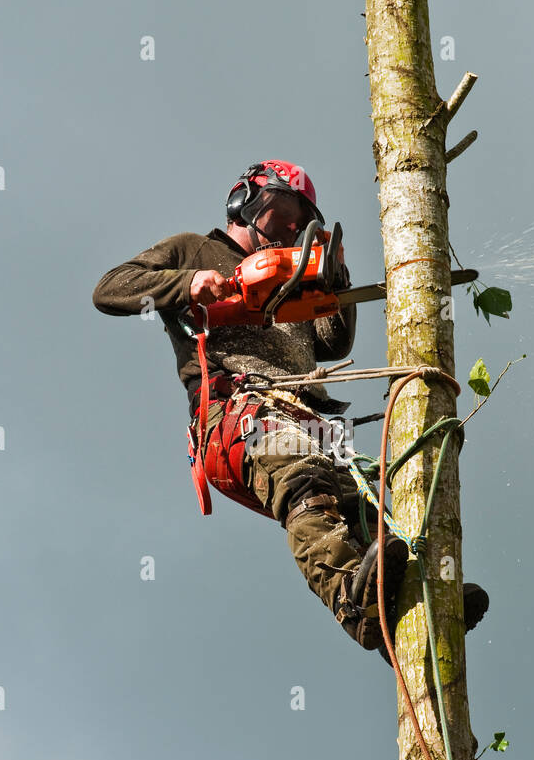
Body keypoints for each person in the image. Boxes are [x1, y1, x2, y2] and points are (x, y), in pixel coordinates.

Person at [92, 159, 488, 661]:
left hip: (307, 417)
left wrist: (334, 284)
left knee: (368, 518)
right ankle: (349, 598)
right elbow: (109, 288)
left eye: (297, 224)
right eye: (280, 218)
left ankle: (418, 609)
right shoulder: (194, 248)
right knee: (300, 477)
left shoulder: (290, 275)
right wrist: (189, 284)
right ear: (246, 202)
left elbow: (331, 340)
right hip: (238, 414)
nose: (287, 232)